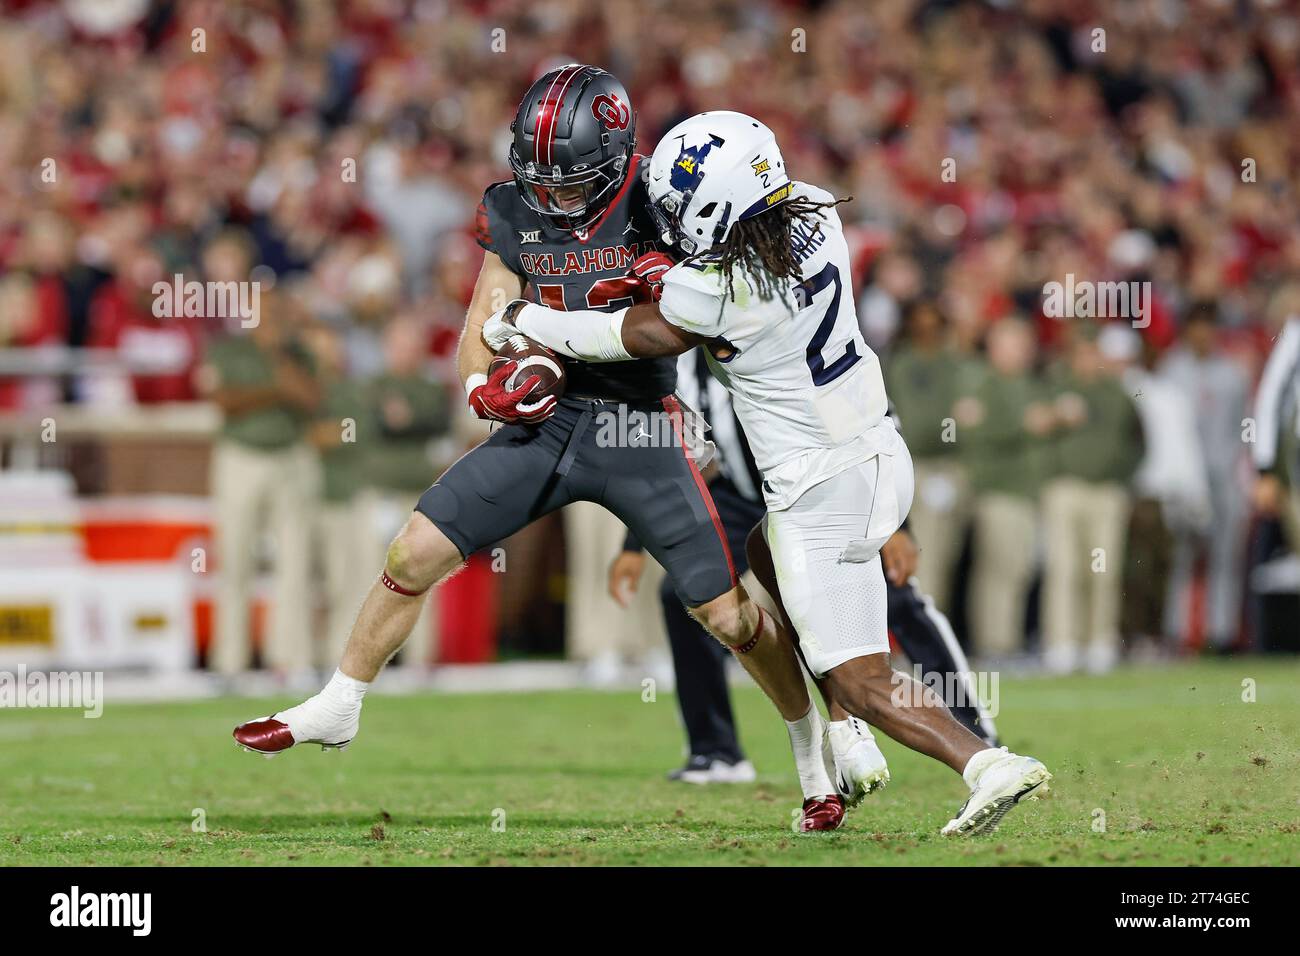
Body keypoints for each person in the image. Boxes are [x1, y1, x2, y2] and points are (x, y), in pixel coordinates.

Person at [234, 68, 842, 832]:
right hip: (548, 420)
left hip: (640, 423)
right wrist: (481, 390)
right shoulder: (512, 207)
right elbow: (480, 325)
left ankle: (813, 756)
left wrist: (672, 280)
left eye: (572, 182)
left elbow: (715, 306)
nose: (553, 197)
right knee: (411, 554)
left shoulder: (662, 198)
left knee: (725, 615)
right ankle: (340, 702)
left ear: (621, 157)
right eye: (541, 180)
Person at [485, 111, 1048, 835]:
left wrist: (528, 320)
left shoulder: (719, 291)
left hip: (821, 484)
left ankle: (981, 762)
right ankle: (845, 731)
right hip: (876, 450)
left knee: (859, 674)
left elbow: (625, 335)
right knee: (758, 551)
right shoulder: (812, 206)